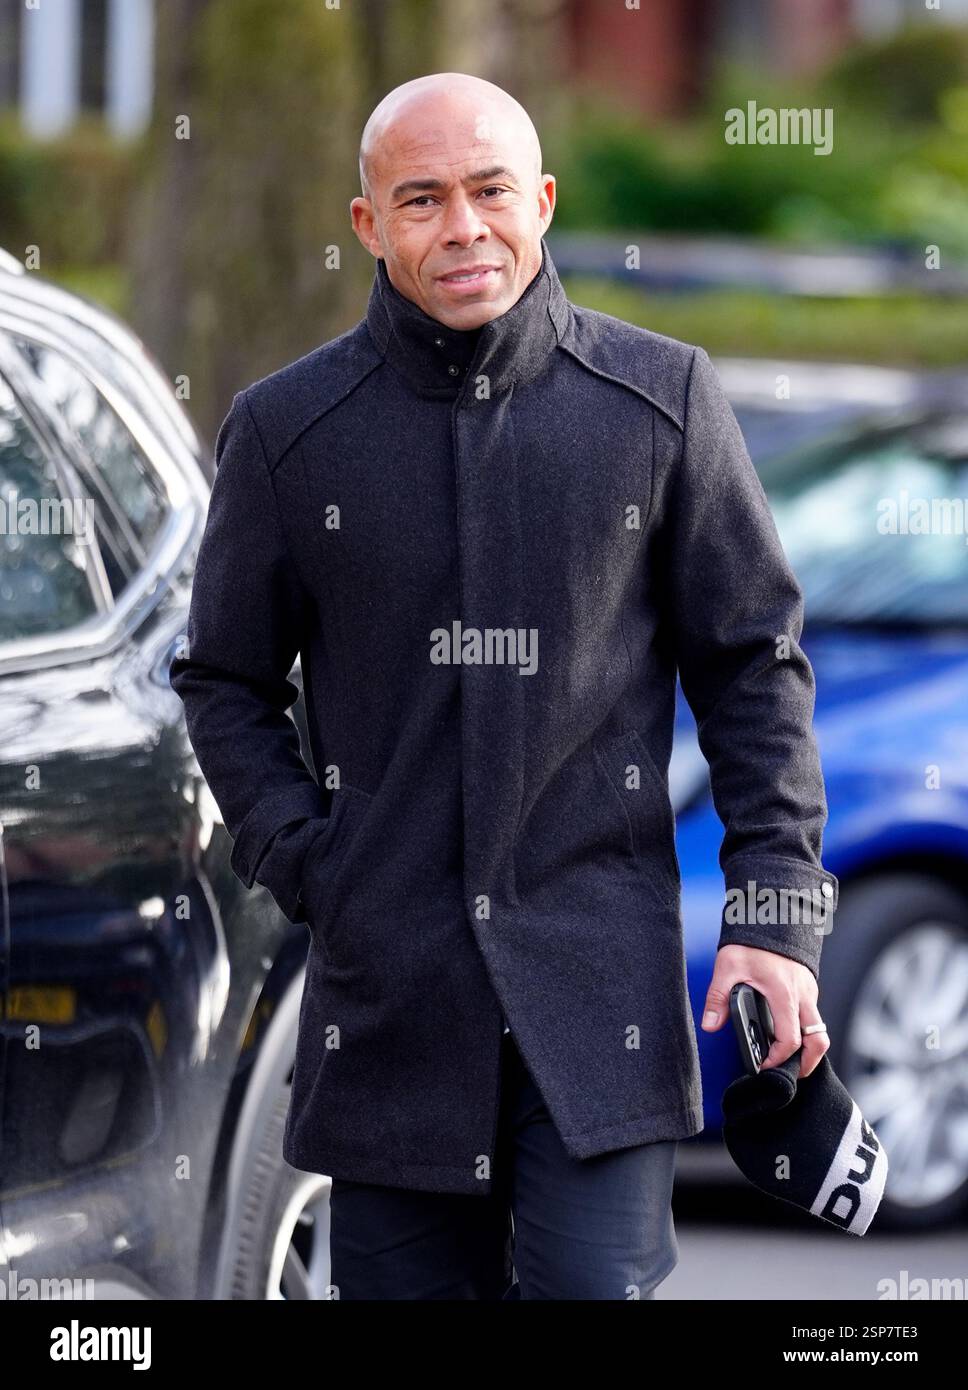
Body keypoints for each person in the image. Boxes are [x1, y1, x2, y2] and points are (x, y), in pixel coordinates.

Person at [170, 71, 838, 1300]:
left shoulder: (661, 401)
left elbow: (751, 662)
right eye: (420, 199)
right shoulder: (285, 432)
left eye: (488, 191)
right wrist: (314, 861)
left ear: (538, 200)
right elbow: (222, 679)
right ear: (369, 225)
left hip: (601, 995)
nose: (462, 227)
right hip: (388, 1007)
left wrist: (773, 917)